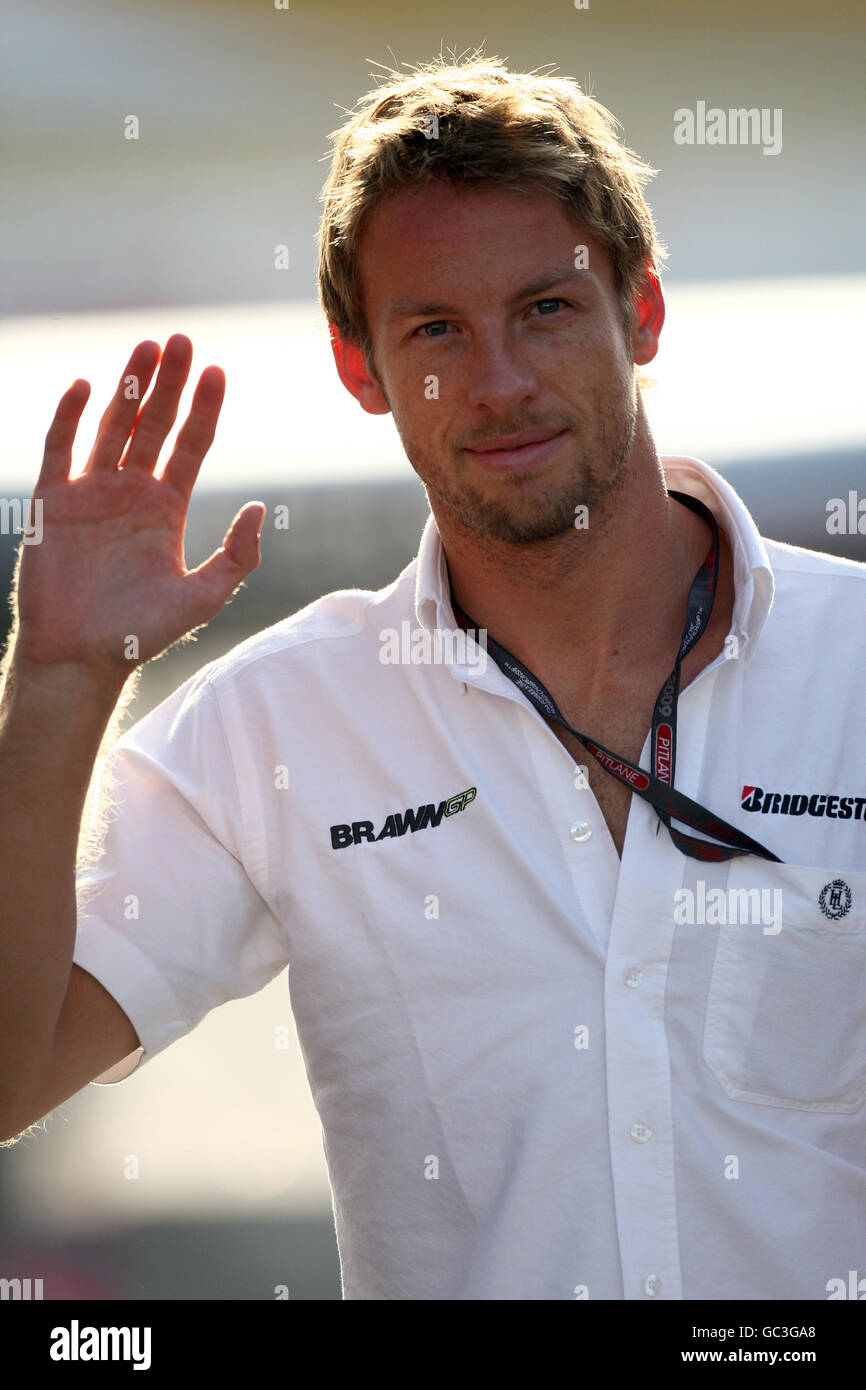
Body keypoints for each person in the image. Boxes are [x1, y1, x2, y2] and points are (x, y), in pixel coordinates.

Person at [1, 53, 864, 1302]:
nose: (498, 381)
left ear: (644, 313)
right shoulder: (281, 719)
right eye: (435, 330)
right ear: (360, 368)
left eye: (546, 309)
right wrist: (61, 682)